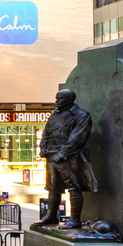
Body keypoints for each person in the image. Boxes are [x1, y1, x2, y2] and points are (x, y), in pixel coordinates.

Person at [32, 89, 96, 230]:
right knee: (53, 188)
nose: (56, 101)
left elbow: (78, 137)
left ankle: (75, 219)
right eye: (56, 98)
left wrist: (62, 154)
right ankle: (51, 216)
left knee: (73, 187)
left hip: (69, 157)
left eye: (59, 99)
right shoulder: (54, 115)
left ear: (69, 100)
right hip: (51, 157)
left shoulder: (81, 115)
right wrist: (43, 149)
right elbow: (46, 134)